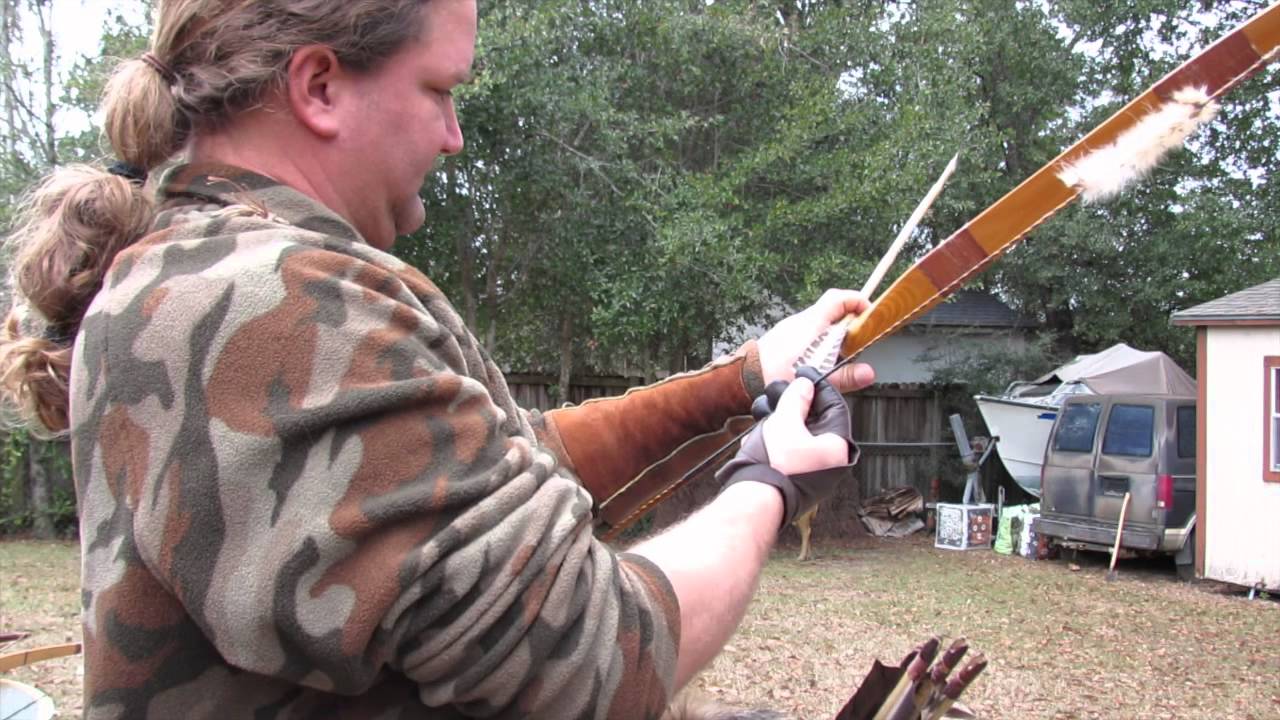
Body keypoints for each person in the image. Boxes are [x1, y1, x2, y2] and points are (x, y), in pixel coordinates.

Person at [0, 1, 874, 717]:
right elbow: (592, 655)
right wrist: (770, 485)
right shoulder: (267, 301)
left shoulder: (225, 273)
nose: (454, 135)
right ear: (319, 87)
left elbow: (504, 459)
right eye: (439, 90)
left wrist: (749, 375)